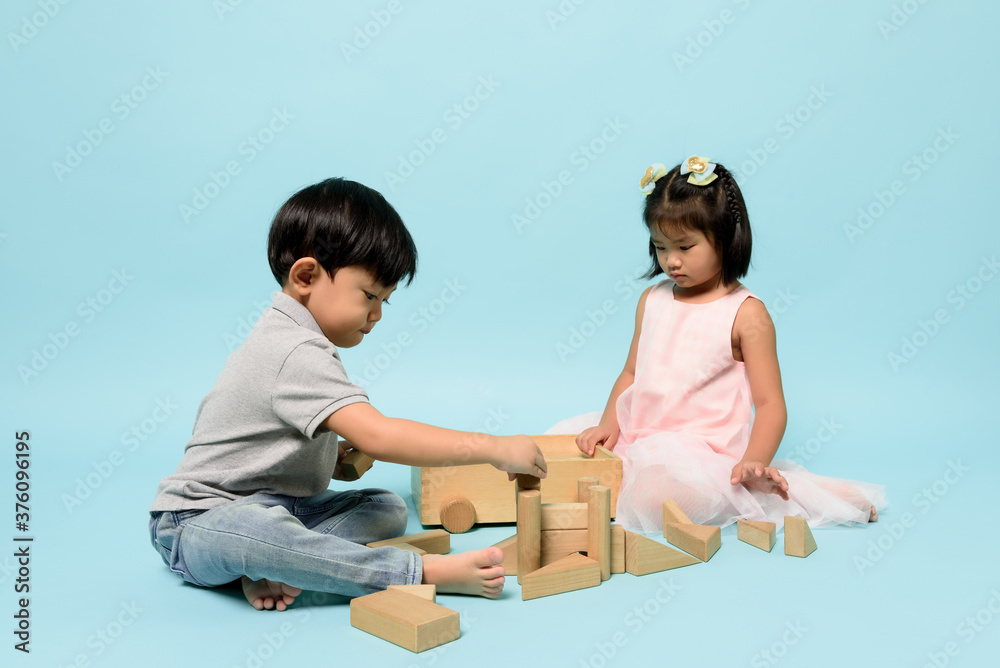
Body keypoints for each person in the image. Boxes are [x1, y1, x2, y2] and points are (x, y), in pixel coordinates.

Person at [149, 177, 546, 610]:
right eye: (370, 295)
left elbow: (275, 441)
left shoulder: (303, 342)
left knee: (384, 507)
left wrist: (325, 456)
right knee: (254, 531)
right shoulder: (292, 349)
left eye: (385, 301)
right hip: (198, 524)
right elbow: (379, 435)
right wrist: (491, 447)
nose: (377, 314)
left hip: (283, 510)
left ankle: (281, 564)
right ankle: (414, 574)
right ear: (306, 276)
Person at [549, 156, 885, 534]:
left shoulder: (746, 314)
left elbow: (770, 403)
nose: (671, 261)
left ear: (725, 239)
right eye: (660, 247)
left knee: (651, 500)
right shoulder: (653, 300)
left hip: (699, 452)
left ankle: (801, 493)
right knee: (563, 452)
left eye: (685, 247)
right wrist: (609, 423)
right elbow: (630, 372)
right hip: (639, 434)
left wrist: (753, 462)